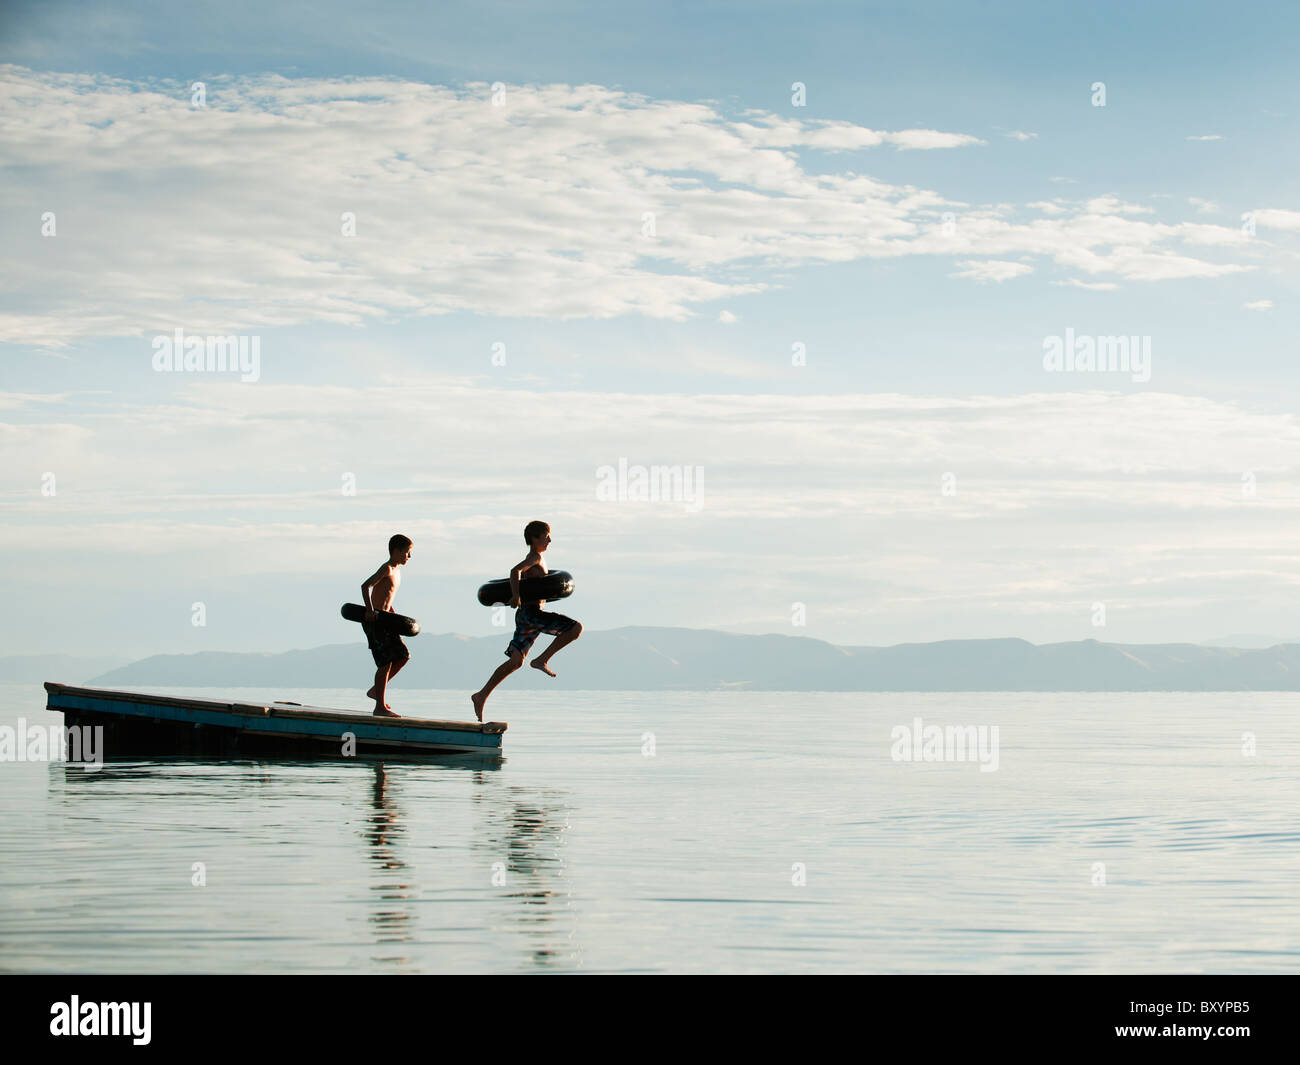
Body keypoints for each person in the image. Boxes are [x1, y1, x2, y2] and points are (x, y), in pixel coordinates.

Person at [471, 521, 581, 721]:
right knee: (575, 629)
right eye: (546, 536)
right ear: (534, 539)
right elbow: (515, 571)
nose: (550, 539)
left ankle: (481, 695)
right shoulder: (535, 557)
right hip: (531, 613)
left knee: (515, 661)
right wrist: (515, 596)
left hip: (525, 616)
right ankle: (542, 660)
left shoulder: (538, 557)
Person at [361, 534, 413, 716]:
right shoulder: (387, 569)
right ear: (396, 551)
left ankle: (375, 691)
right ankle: (379, 707)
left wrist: (393, 614)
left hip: (386, 620)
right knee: (385, 662)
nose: (409, 557)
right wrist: (369, 610)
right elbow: (365, 586)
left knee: (403, 655)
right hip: (374, 621)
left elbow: (386, 596)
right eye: (407, 553)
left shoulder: (397, 572)